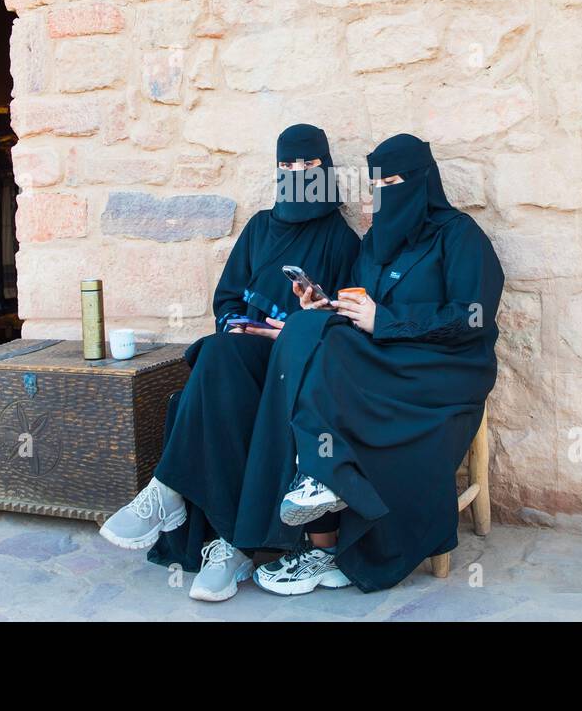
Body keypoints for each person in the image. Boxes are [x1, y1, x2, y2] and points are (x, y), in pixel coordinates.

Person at [232, 133, 504, 596]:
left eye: (394, 181)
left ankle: (321, 482)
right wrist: (322, 305)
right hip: (380, 361)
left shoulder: (459, 236)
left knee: (314, 348)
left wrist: (388, 320)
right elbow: (358, 305)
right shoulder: (376, 242)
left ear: (423, 181)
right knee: (306, 331)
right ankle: (321, 490)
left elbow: (472, 317)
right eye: (377, 184)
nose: (385, 193)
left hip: (441, 371)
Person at [98, 124, 360, 602]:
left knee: (215, 367)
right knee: (218, 352)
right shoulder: (260, 227)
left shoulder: (342, 240)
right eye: (286, 167)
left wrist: (303, 319)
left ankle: (176, 498)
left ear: (325, 170)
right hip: (245, 351)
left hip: (295, 363)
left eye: (307, 167)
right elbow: (228, 297)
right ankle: (226, 542)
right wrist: (240, 324)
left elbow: (342, 319)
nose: (296, 175)